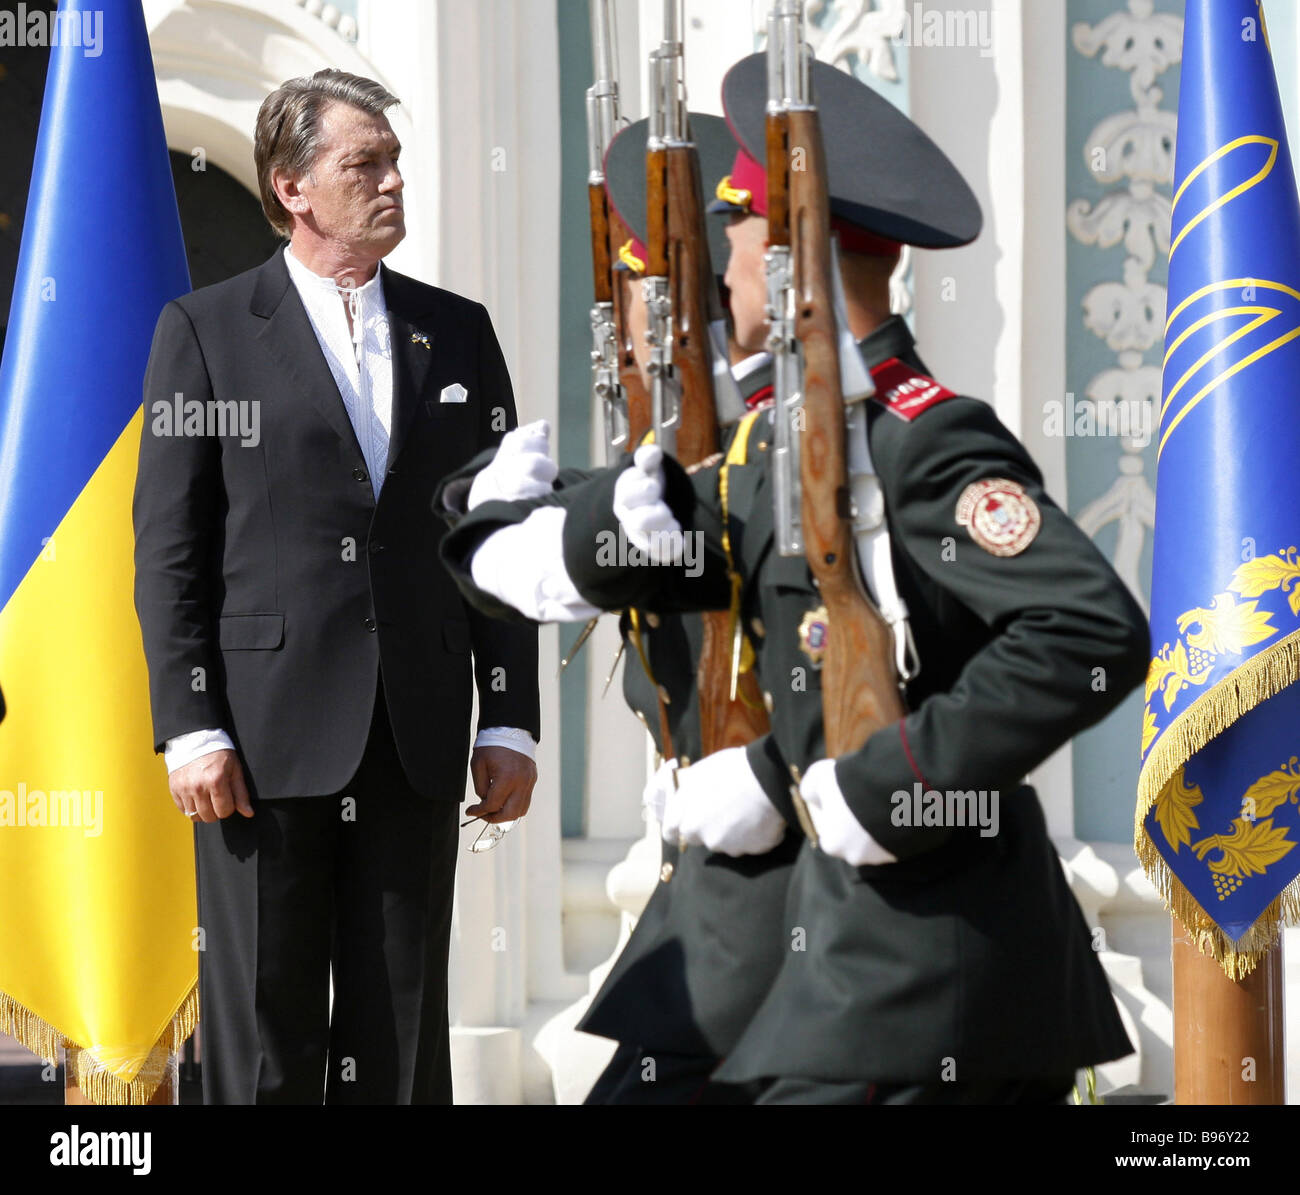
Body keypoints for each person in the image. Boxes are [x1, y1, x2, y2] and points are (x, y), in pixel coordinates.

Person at [440, 55, 1145, 1103]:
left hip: (937, 976)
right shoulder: (790, 449)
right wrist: (511, 534)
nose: (713, 272)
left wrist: (869, 787)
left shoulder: (923, 443)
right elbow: (679, 534)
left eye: (734, 232)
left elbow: (1090, 628)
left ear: (785, 253)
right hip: (849, 973)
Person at [132, 69, 540, 1105]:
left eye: (395, 161)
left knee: (399, 1036)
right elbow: (170, 546)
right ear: (293, 186)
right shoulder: (207, 332)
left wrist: (512, 722)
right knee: (264, 1038)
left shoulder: (459, 332)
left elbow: (498, 534)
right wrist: (190, 724)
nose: (393, 182)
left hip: (415, 731)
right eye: (366, 163)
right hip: (258, 745)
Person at [442, 112, 799, 1104]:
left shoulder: (794, 449)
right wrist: (494, 517)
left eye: (651, 298)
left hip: (813, 892)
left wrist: (774, 775)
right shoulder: (692, 461)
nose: (630, 327)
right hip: (718, 889)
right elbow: (566, 557)